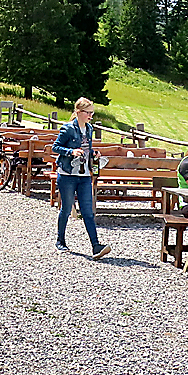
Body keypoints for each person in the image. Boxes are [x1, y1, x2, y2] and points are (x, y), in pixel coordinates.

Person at [52, 97, 111, 260]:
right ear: (78, 112)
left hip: (84, 175)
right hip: (67, 174)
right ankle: (60, 241)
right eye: (88, 112)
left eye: (92, 112)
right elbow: (55, 147)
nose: (91, 116)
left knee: (87, 211)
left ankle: (95, 246)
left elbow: (87, 148)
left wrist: (93, 153)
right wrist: (71, 152)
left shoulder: (90, 128)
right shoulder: (67, 129)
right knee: (66, 209)